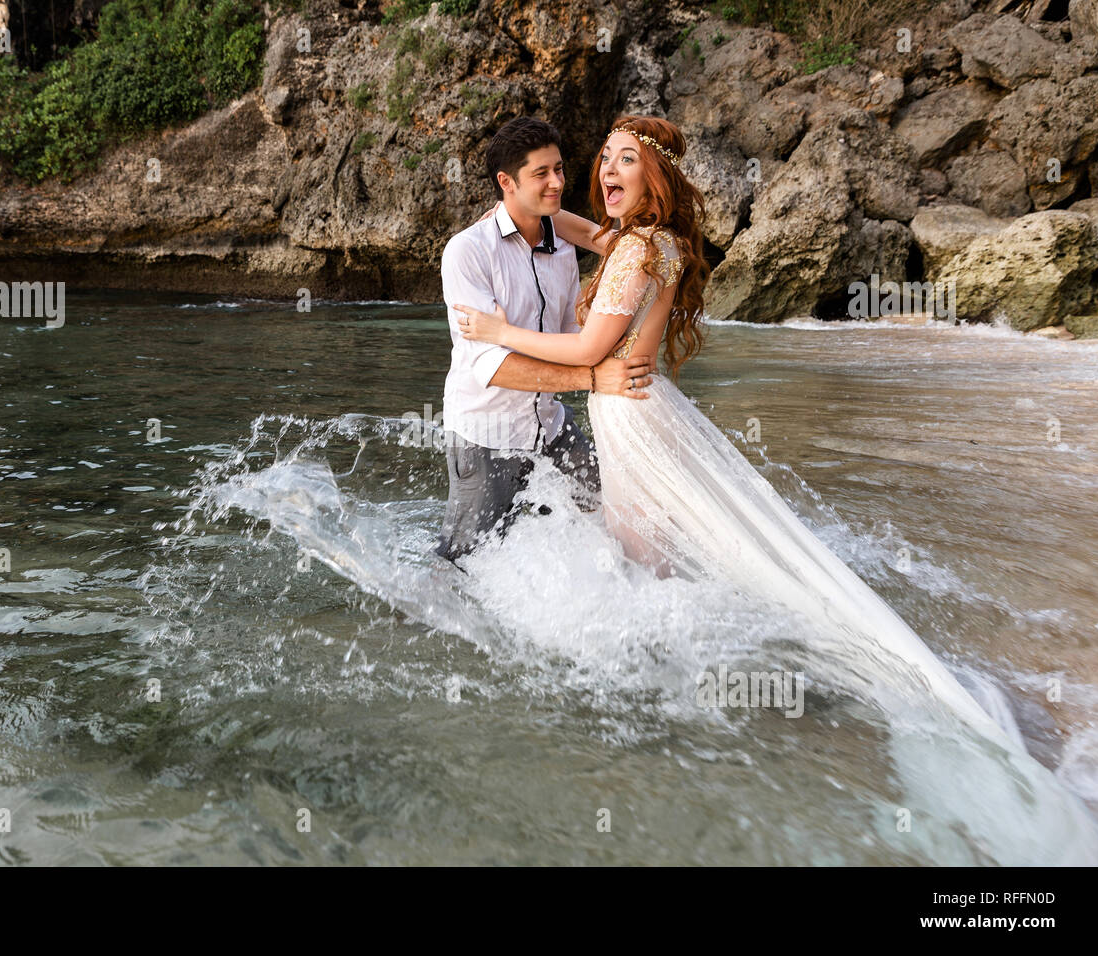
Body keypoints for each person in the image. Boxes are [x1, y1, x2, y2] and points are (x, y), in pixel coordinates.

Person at [454, 114, 1021, 747]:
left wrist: (502, 331)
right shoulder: (652, 243)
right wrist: (592, 244)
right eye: (597, 162)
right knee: (648, 534)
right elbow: (586, 242)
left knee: (640, 546)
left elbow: (590, 345)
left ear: (656, 177)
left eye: (621, 162)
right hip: (608, 408)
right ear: (512, 184)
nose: (592, 175)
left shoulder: (635, 247)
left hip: (620, 404)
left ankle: (662, 679)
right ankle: (677, 657)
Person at [435, 117, 653, 564]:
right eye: (541, 174)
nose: (557, 182)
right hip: (485, 433)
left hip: (551, 424)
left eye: (559, 169)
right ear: (506, 182)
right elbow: (493, 366)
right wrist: (594, 378)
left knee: (608, 517)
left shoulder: (564, 244)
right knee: (464, 560)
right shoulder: (467, 251)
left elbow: (571, 329)